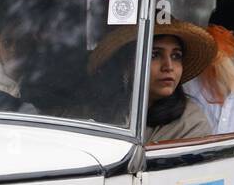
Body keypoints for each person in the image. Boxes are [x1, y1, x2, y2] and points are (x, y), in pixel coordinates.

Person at [88, 19, 216, 143]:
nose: (168, 66)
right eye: (154, 55)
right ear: (126, 64)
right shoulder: (97, 111)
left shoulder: (191, 124)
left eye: (176, 56)